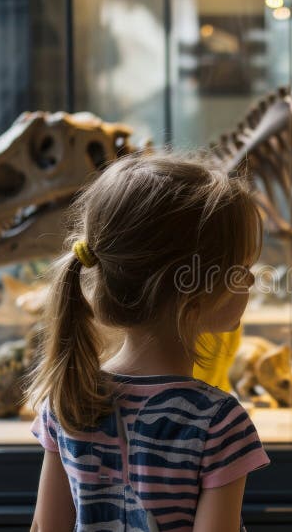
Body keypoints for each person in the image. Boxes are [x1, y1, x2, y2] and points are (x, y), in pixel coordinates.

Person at [27, 152, 269, 531]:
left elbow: (46, 526)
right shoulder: (219, 422)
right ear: (191, 290)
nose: (252, 281)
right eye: (241, 269)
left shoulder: (67, 400)